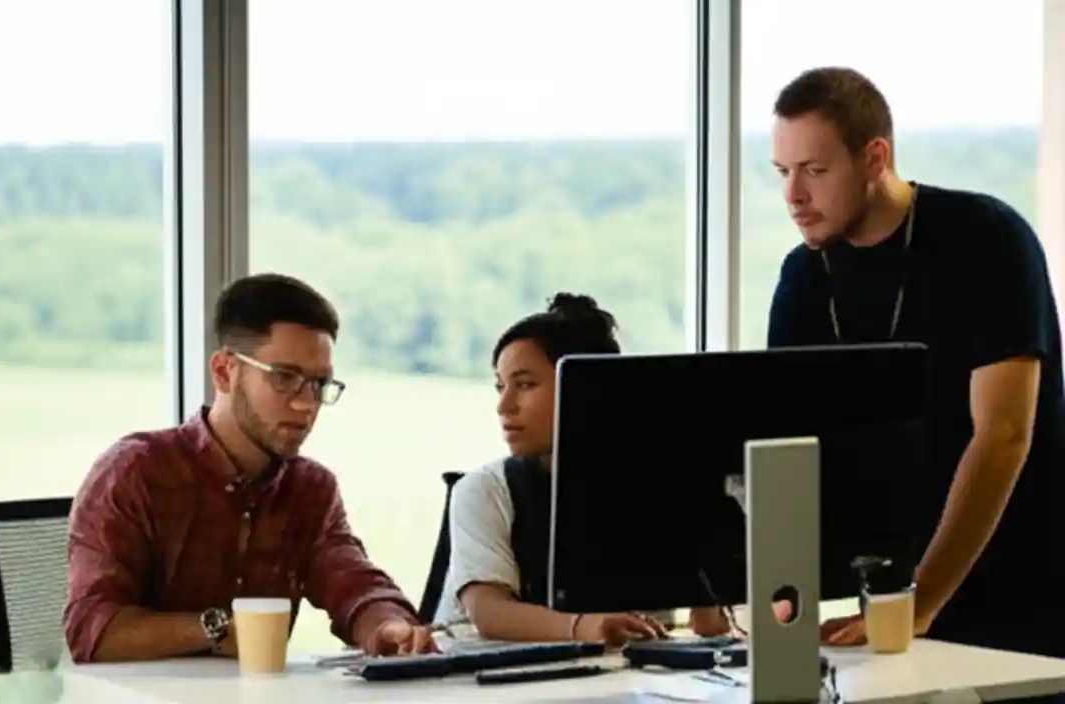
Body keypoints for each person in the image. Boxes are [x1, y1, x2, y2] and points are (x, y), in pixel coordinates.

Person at [766, 66, 1065, 661]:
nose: (793, 196)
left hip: (1027, 597)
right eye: (783, 172)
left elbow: (1004, 434)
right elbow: (785, 447)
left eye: (815, 171)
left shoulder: (985, 237)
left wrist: (917, 602)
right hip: (893, 604)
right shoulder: (804, 277)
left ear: (875, 158)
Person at [63, 273, 438, 663]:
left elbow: (353, 582)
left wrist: (386, 626)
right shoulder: (135, 472)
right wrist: (216, 629)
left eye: (319, 384)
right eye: (285, 378)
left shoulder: (310, 489)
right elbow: (92, 630)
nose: (307, 404)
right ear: (224, 371)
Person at [433, 293, 727, 646]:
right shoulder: (485, 490)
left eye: (524, 385)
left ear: (588, 389)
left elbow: (711, 622)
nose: (504, 405)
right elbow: (489, 613)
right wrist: (585, 628)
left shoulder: (654, 489)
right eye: (500, 386)